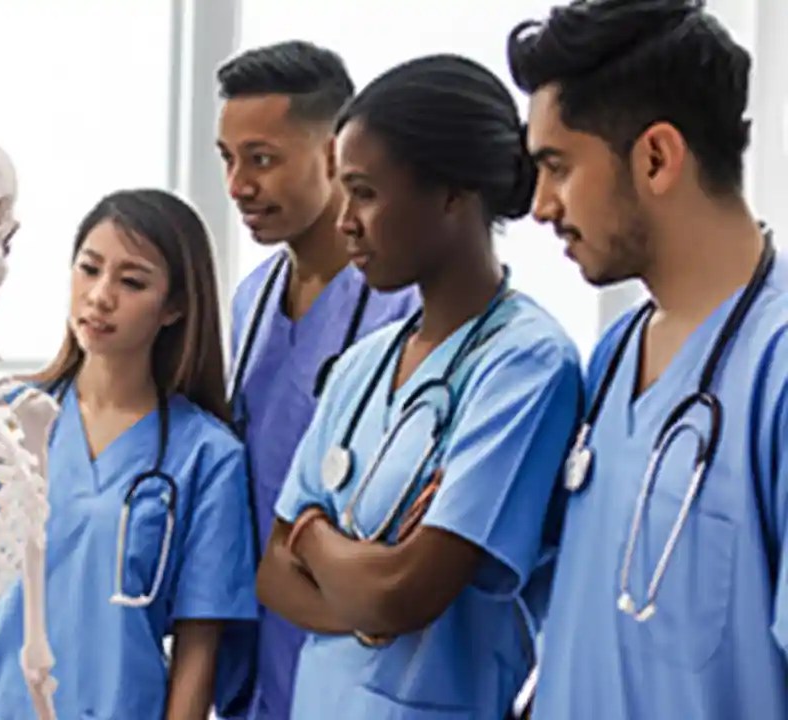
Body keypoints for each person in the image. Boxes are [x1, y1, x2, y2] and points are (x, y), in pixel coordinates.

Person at [257, 55, 583, 719]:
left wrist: (312, 534)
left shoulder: (526, 363)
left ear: (452, 194)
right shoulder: (363, 364)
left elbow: (404, 592)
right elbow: (273, 576)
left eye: (365, 192)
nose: (344, 221)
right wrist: (363, 596)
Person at [507, 1, 788, 717]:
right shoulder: (612, 359)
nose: (541, 206)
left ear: (656, 158)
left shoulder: (776, 372)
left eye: (557, 167)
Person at [0, 188, 259, 719]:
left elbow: (198, 644)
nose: (100, 296)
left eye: (132, 282)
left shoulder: (207, 456)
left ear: (175, 307)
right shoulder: (7, 416)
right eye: (89, 269)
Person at [213, 39, 419, 719]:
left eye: (261, 159)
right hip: (257, 663)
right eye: (227, 159)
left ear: (335, 154)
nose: (238, 185)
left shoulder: (406, 311)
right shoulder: (251, 302)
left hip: (356, 659)